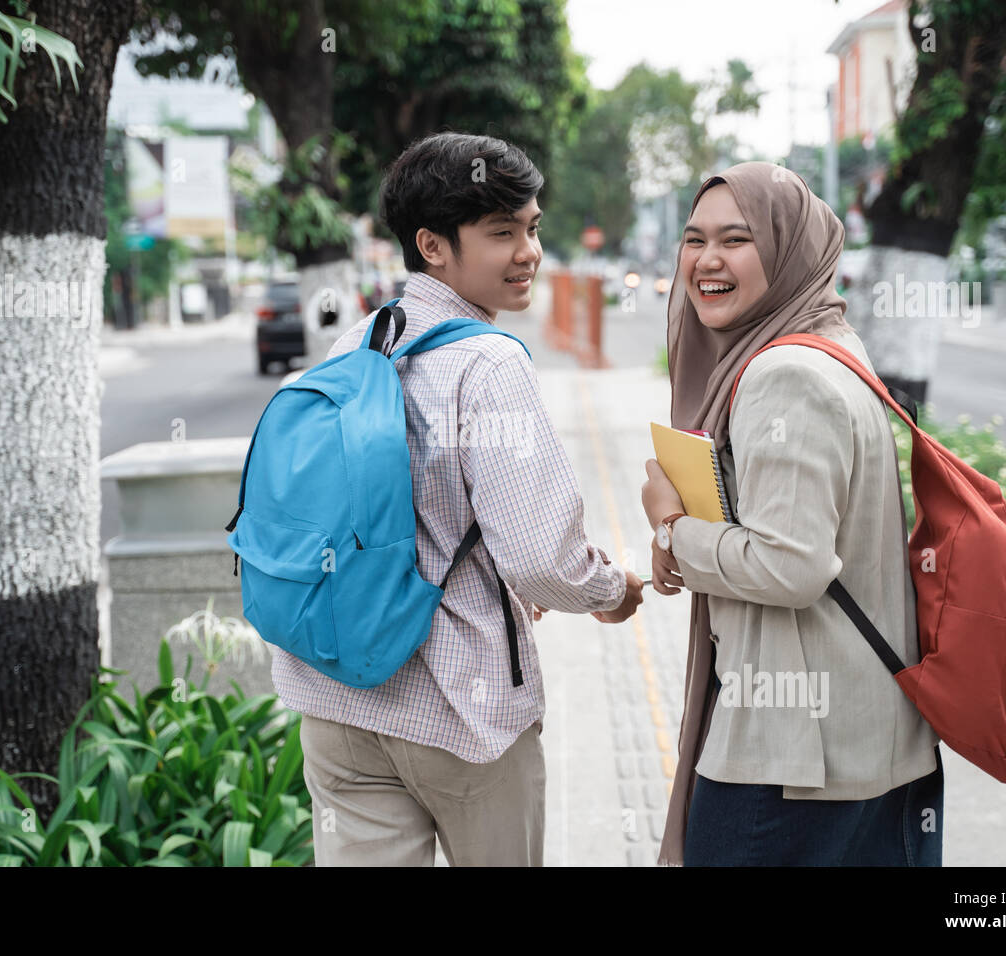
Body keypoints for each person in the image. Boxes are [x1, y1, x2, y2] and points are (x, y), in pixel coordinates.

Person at [275, 132, 645, 867]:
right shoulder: (488, 362)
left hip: (336, 698)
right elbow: (542, 557)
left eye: (533, 228)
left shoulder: (356, 344)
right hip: (459, 707)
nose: (529, 252)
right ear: (432, 246)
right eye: (501, 233)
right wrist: (611, 589)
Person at [639, 162, 943, 866]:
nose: (707, 260)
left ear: (787, 249)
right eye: (694, 238)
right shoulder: (832, 344)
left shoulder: (786, 376)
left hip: (793, 762)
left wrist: (670, 528)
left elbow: (791, 564)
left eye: (737, 239)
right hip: (852, 747)